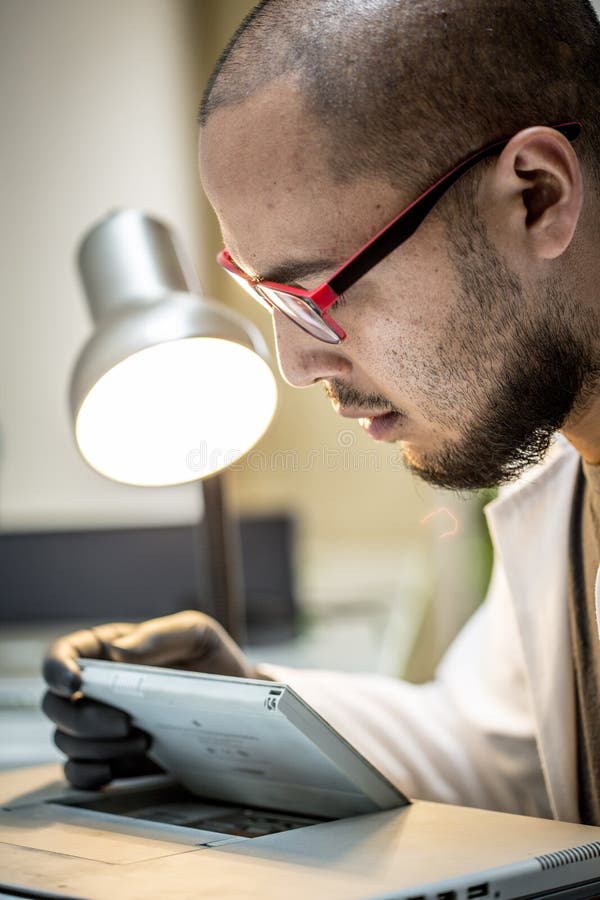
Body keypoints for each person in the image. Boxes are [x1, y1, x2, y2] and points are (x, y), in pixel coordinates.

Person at [42, 0, 600, 826]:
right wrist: (243, 705)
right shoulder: (565, 473)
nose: (297, 366)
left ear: (536, 196)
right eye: (266, 297)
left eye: (315, 293)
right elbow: (509, 753)